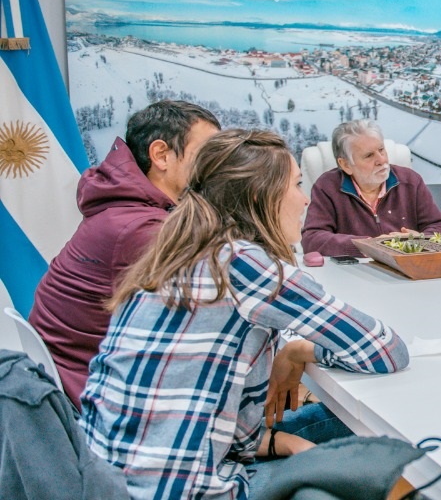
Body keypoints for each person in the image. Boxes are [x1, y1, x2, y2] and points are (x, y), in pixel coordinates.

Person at [79, 128, 410, 499]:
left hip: (110, 479)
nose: (304, 200)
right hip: (183, 488)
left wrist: (287, 438)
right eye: (297, 185)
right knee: (367, 437)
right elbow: (386, 350)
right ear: (259, 196)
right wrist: (301, 353)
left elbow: (222, 415)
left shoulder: (176, 249)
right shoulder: (241, 263)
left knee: (340, 427)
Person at [28, 100, 221, 405]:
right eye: (207, 155)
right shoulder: (140, 229)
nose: (216, 167)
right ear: (160, 155)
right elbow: (213, 318)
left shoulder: (124, 209)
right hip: (95, 397)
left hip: (74, 376)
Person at [302, 119, 441, 256]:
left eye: (381, 150)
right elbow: (312, 239)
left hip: (407, 271)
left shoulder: (410, 181)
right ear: (346, 165)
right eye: (369, 156)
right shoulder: (327, 187)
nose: (381, 160)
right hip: (354, 275)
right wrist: (368, 245)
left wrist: (419, 239)